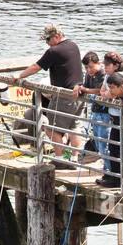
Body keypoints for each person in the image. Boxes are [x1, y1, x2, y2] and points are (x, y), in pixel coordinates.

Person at [14, 23, 85, 157]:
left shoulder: (54, 51)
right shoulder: (74, 45)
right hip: (79, 94)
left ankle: (59, 158)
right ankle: (74, 159)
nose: (47, 43)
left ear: (56, 37)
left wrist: (19, 75)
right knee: (74, 128)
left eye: (48, 39)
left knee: (51, 128)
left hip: (64, 95)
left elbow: (36, 67)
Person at [73, 51, 122, 184]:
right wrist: (81, 87)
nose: (88, 70)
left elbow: (98, 90)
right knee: (100, 144)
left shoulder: (103, 75)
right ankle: (107, 172)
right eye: (86, 68)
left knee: (105, 144)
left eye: (90, 67)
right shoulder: (91, 75)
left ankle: (110, 172)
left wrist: (85, 90)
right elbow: (96, 89)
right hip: (96, 113)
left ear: (98, 64)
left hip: (104, 114)